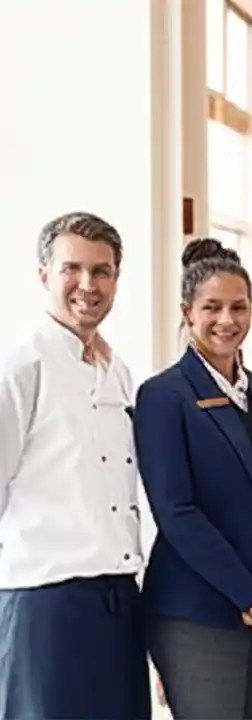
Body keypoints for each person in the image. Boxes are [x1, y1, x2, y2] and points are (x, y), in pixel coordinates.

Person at [134, 238, 252, 718]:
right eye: (212, 307)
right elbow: (175, 512)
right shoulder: (164, 396)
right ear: (187, 313)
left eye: (238, 307)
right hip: (198, 611)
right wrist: (248, 594)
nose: (226, 320)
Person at [0, 212, 149, 718]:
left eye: (101, 271)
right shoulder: (21, 370)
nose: (88, 285)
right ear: (44, 274)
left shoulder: (118, 369)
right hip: (46, 604)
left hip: (119, 597)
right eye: (72, 269)